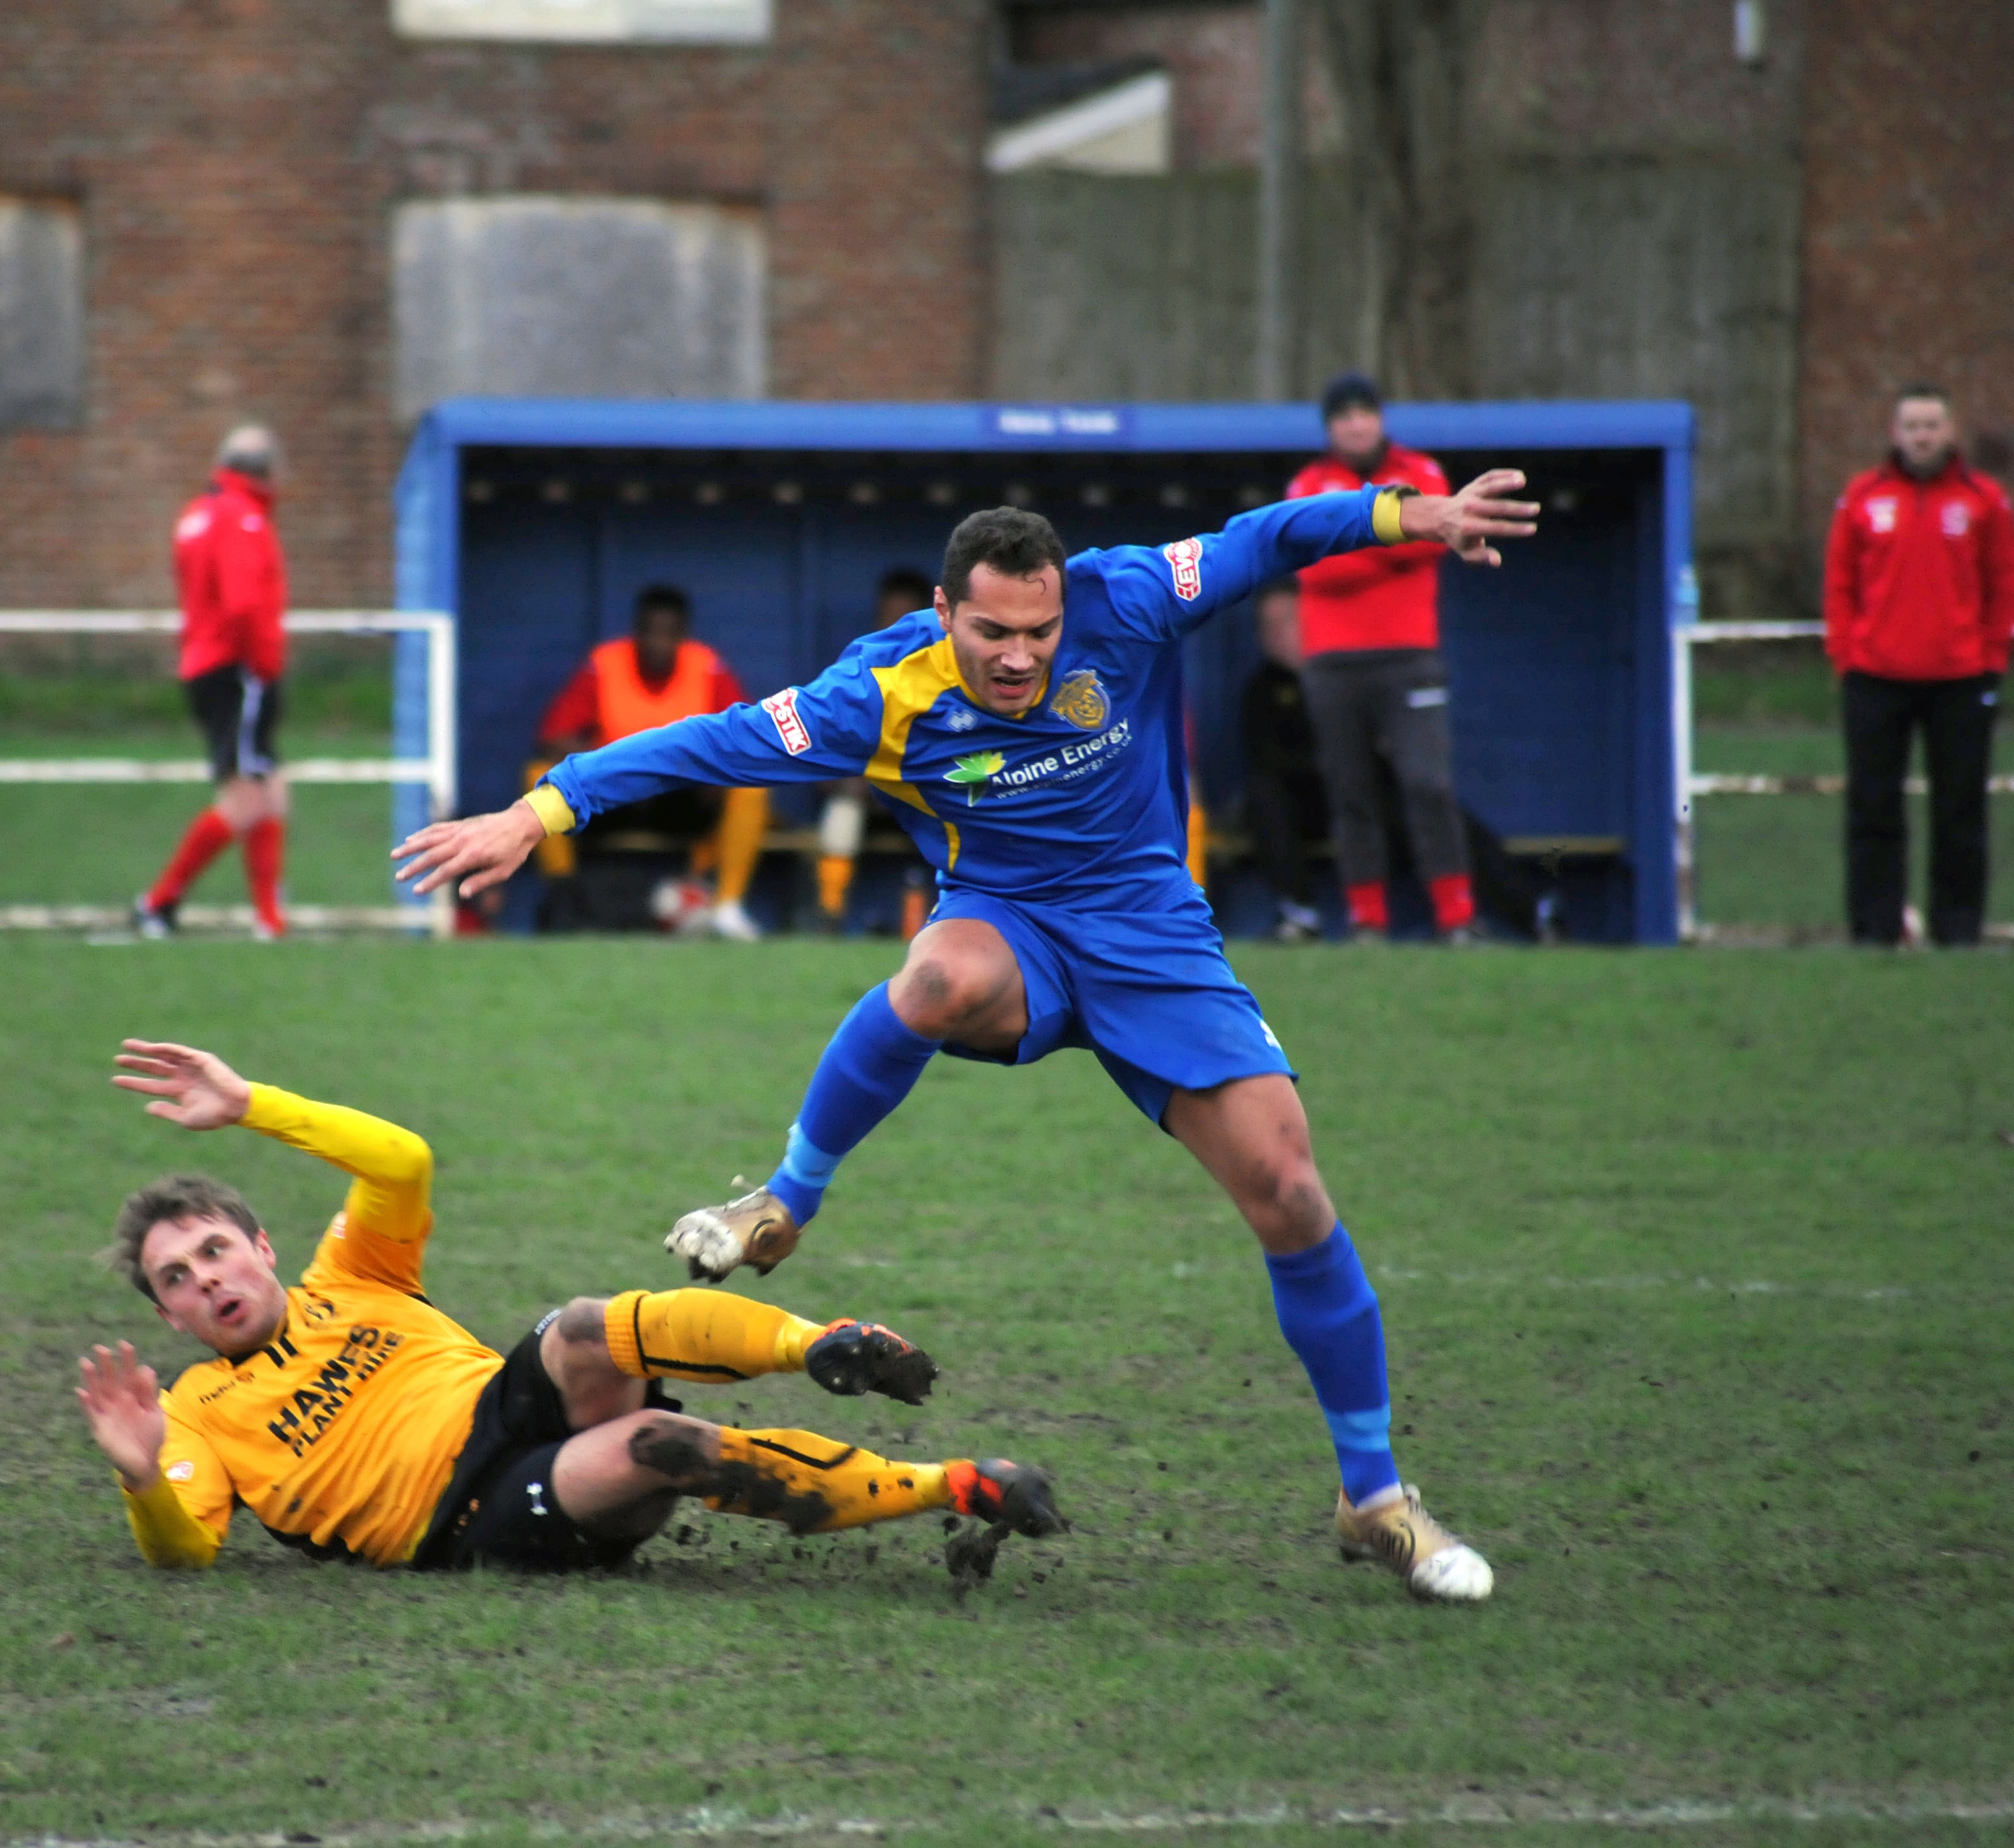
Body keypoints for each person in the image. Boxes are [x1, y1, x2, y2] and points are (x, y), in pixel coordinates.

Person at [396, 470, 1541, 1603]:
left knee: (1291, 1192)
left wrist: (1409, 513)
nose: (1018, 655)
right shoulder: (881, 690)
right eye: (992, 631)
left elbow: (1271, 535)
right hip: (1009, 926)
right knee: (937, 974)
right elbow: (708, 742)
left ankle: (1373, 1497)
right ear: (946, 615)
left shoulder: (1130, 596)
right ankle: (786, 1200)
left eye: (1039, 633)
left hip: (1151, 929)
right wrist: (535, 811)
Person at [72, 1039, 1065, 1580]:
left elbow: (402, 1162)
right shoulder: (194, 1410)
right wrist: (139, 1477)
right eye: (175, 1278)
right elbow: (184, 1550)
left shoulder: (353, 1276)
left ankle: (823, 1344)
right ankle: (957, 1485)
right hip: (465, 1518)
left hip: (505, 1405)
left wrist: (254, 1106)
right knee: (658, 1444)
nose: (204, 1278)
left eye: (213, 1249)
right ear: (170, 1318)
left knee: (585, 1324)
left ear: (262, 1249)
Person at [1285, 374, 1475, 944]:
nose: (1355, 424)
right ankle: (1369, 920)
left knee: (1427, 784)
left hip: (1410, 656)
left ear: (1381, 419)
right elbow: (1311, 565)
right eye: (1343, 417)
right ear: (1330, 428)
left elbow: (1436, 536)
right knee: (1350, 790)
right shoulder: (1310, 483)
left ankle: (1457, 917)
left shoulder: (1422, 473)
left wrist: (1352, 541)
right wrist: (1393, 543)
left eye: (1364, 413)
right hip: (1332, 662)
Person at [1823, 385, 2014, 947]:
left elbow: (2001, 586)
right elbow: (1839, 586)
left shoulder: (1984, 500)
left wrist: (1990, 660)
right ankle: (1875, 931)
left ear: (1950, 432)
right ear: (1895, 433)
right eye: (1912, 426)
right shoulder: (1862, 498)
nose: (1922, 436)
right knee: (1873, 809)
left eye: (1932, 425)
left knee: (1960, 810)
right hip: (1876, 678)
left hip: (1960, 679)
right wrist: (1848, 655)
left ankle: (1958, 931)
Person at [528, 585, 769, 940]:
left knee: (752, 788)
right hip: (613, 794)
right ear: (636, 633)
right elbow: (552, 737)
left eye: (669, 634)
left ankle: (726, 907)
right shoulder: (605, 664)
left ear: (683, 637)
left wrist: (705, 770)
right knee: (537, 774)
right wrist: (611, 756)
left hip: (681, 796)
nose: (659, 643)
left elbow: (746, 741)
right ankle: (562, 896)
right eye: (650, 632)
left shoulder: (707, 667)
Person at [137, 425, 292, 940]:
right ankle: (159, 902)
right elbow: (245, 603)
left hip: (206, 664)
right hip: (238, 668)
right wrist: (266, 665)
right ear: (265, 470)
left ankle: (270, 921)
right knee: (249, 796)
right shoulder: (241, 517)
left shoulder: (198, 514)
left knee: (272, 788)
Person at [814, 568, 938, 935]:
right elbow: (821, 753)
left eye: (905, 617)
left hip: (929, 791)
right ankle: (830, 918)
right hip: (872, 791)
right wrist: (856, 782)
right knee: (841, 813)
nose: (895, 626)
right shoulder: (857, 671)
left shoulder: (952, 671)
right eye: (888, 617)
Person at [1239, 580, 1330, 941]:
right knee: (1265, 795)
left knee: (1426, 796)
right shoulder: (1261, 688)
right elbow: (1264, 758)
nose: (1278, 635)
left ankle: (1471, 917)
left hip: (1359, 801)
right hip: (1302, 806)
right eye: (1268, 626)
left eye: (1287, 621)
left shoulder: (1343, 679)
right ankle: (1299, 912)